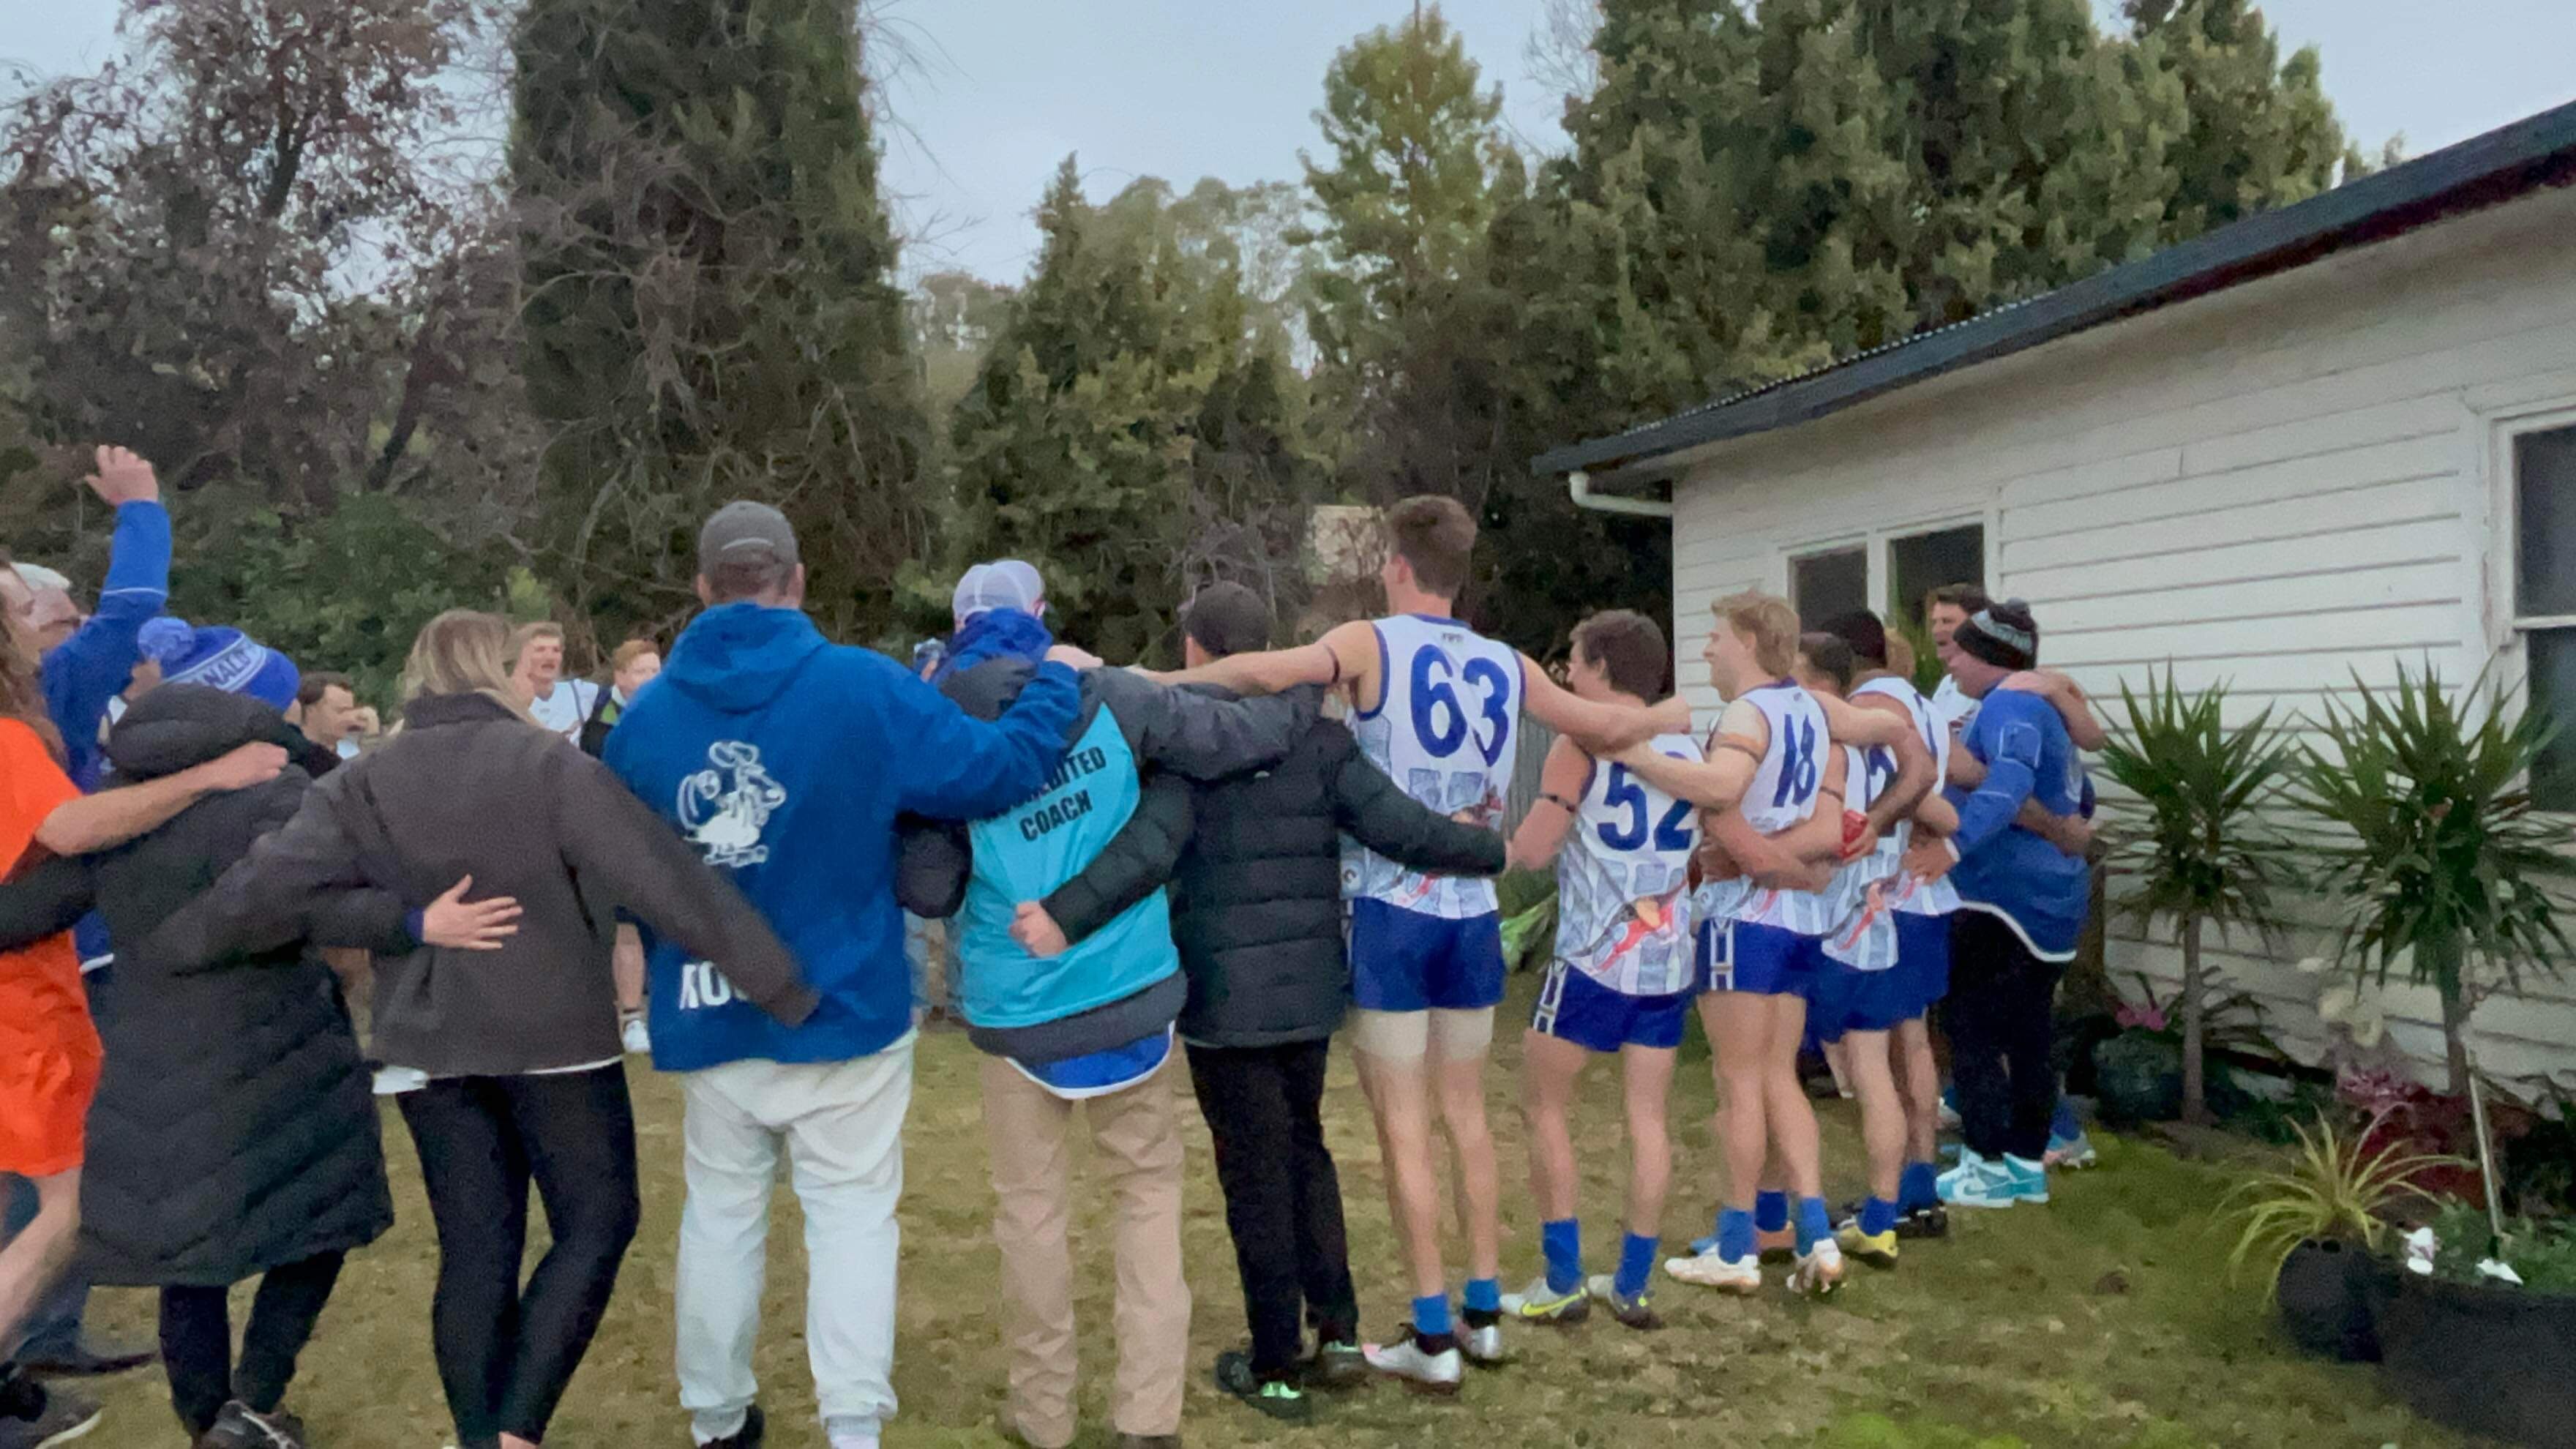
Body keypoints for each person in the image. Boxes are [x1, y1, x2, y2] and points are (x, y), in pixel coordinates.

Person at [141, 609, 819, 1449]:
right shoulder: (545, 764)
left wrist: (175, 947)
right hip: (553, 1037)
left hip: (430, 1043)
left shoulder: (365, 778)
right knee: (596, 1223)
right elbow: (661, 874)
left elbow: (271, 885)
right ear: (497, 671)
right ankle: (515, 1429)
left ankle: (483, 1435)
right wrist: (779, 981)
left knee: (476, 1252)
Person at [1159, 497, 1680, 1388]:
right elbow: (1604, 727)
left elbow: (1257, 673)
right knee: (1466, 1116)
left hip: (1392, 907)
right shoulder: (1507, 662)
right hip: (1471, 910)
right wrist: (1679, 717)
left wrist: (1134, 682)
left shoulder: (1367, 643)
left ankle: (1432, 1332)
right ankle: (1484, 1313)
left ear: (1396, 565)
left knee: (1403, 1126)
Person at [601, 505, 1084, 1449]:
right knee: (852, 1218)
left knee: (721, 1216)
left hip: (708, 1008)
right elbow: (998, 769)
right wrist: (1055, 683)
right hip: (850, 1002)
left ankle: (717, 1417)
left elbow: (622, 884)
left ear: (704, 588)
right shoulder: (859, 686)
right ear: (798, 579)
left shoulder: (645, 720)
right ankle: (851, 1425)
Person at [0, 684, 517, 1449]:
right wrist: (409, 923)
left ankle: (205, 1416)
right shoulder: (276, 796)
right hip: (281, 1044)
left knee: (191, 1254)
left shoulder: (120, 811)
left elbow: (19, 917)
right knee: (317, 1226)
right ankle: (253, 1403)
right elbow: (312, 903)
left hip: (151, 1061)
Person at [1034, 583, 1503, 1423]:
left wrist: (1061, 915)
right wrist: (1492, 848)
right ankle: (1337, 1327)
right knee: (1304, 1152)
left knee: (1253, 1175)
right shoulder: (1321, 744)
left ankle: (1275, 1363)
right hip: (1307, 993)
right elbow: (1401, 827)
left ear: (1194, 652)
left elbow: (1146, 852)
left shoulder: (1185, 751)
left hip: (1225, 1000)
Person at [901, 569, 1314, 1449]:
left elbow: (927, 887)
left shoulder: (935, 726)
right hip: (1130, 1000)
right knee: (1147, 1202)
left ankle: (1043, 1414)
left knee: (1031, 1216)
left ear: (960, 628)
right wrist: (1309, 679)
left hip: (1018, 1012)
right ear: (1042, 618)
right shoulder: (1115, 695)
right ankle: (1147, 1418)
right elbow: (1239, 736)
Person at [0, 566, 288, 1449]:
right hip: (21, 1004)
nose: (32, 627)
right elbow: (73, 830)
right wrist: (212, 778)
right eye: (18, 610)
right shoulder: (10, 740)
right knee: (69, 1206)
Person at [1607, 594, 1931, 1300]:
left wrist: (1634, 753)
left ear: (1751, 639)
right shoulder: (1815, 708)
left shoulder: (1749, 715)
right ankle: (1815, 1233)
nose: (1707, 650)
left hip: (1742, 918)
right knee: (1780, 1077)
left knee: (1738, 1084)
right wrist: (1884, 814)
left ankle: (1737, 1245)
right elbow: (1901, 736)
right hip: (1801, 917)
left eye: (1716, 636)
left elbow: (1722, 786)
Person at [1496, 611, 1701, 1334]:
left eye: (1577, 664)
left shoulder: (1578, 744)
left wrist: (1488, 846)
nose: (1569, 678)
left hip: (1591, 959)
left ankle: (1561, 1280)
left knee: (1543, 1108)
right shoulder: (1685, 743)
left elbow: (1537, 846)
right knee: (1647, 1120)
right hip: (1668, 961)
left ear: (1604, 670)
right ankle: (1634, 1286)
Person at [1775, 631, 1959, 1273]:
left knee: (1776, 1072)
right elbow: (1942, 809)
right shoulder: (1888, 750)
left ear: (1817, 679)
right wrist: (1902, 830)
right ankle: (1883, 1218)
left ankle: (1794, 1222)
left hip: (1825, 924)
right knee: (1875, 1067)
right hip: (1879, 925)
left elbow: (1814, 833)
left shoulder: (1822, 743)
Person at [1932, 600, 2095, 1210]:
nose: (1949, 665)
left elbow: (2009, 783)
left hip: (2005, 899)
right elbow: (2082, 794)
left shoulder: (2010, 705)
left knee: (1971, 1028)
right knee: (2029, 1032)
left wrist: (1956, 843)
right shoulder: (2039, 707)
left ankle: (1986, 1164)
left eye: (1958, 652)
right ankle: (2026, 1164)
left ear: (1988, 656)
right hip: (2052, 896)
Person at [511, 622, 602, 746]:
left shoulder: (580, 692)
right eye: (540, 650)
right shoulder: (505, 699)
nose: (550, 657)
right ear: (522, 655)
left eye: (556, 650)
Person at [578, 640, 659, 759]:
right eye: (640, 672)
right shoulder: (601, 724)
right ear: (620, 677)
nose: (651, 679)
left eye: (655, 671)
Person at [286, 672, 362, 773]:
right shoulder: (287, 762)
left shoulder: (353, 754)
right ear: (311, 711)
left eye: (351, 711)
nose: (351, 718)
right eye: (341, 711)